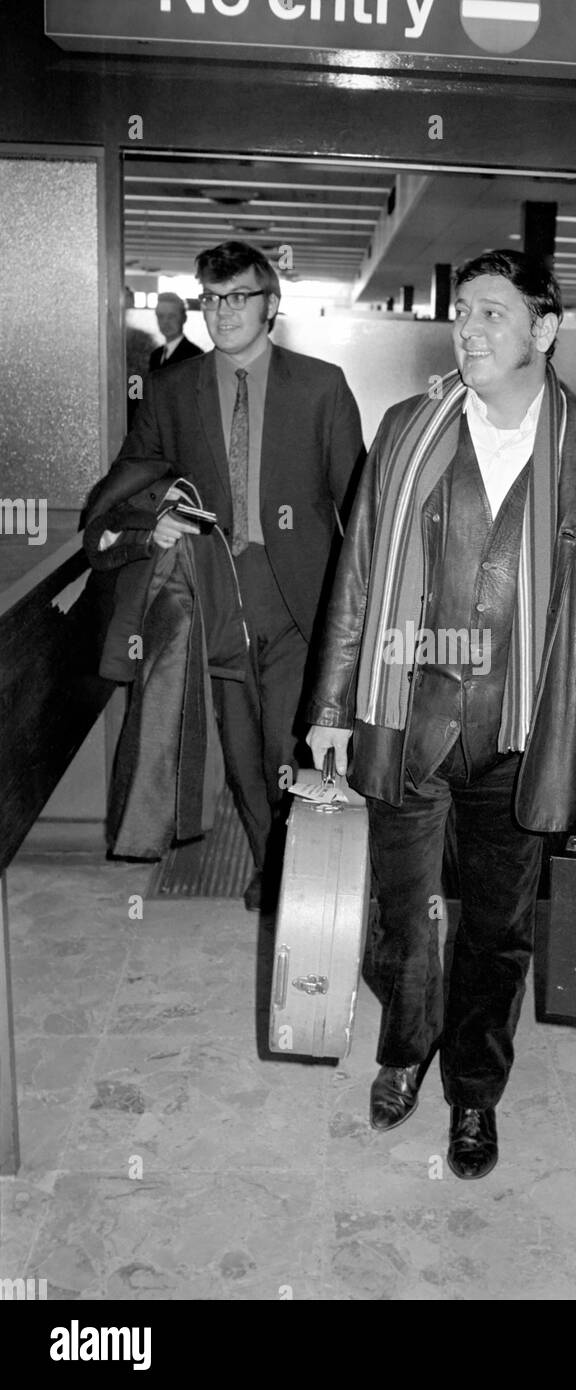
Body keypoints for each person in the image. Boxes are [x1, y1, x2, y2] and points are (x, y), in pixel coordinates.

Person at [307, 249, 576, 1179]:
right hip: (405, 716)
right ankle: (404, 1052)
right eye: (462, 313)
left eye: (493, 313)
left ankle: (473, 1092)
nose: (470, 329)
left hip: (524, 732)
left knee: (498, 928)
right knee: (405, 916)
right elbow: (360, 572)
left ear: (546, 329)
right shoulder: (410, 427)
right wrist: (334, 701)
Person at [86, 241, 364, 911]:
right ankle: (271, 860)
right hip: (218, 597)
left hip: (302, 601)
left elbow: (359, 506)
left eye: (238, 296)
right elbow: (135, 477)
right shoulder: (172, 388)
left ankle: (303, 869)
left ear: (271, 304)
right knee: (242, 755)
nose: (223, 311)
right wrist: (158, 517)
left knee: (288, 747)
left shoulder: (321, 385)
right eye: (212, 299)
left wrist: (364, 612)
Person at [148, 291, 203, 371]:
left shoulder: (196, 356)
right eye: (160, 316)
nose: (165, 322)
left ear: (184, 318)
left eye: (171, 316)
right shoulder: (155, 355)